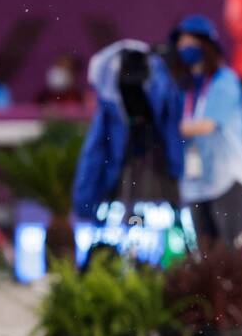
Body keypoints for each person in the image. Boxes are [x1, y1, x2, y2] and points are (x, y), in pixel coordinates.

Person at [167, 15, 242, 252]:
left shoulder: (225, 81)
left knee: (235, 254)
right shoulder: (187, 87)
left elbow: (207, 125)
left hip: (231, 179)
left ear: (206, 45)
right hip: (197, 181)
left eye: (189, 42)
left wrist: (165, 128)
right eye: (180, 44)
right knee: (207, 255)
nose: (183, 49)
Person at [72, 41, 183, 220]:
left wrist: (176, 167)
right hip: (131, 159)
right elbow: (93, 155)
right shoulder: (109, 107)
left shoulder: (162, 87)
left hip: (153, 156)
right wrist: (85, 202)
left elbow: (171, 131)